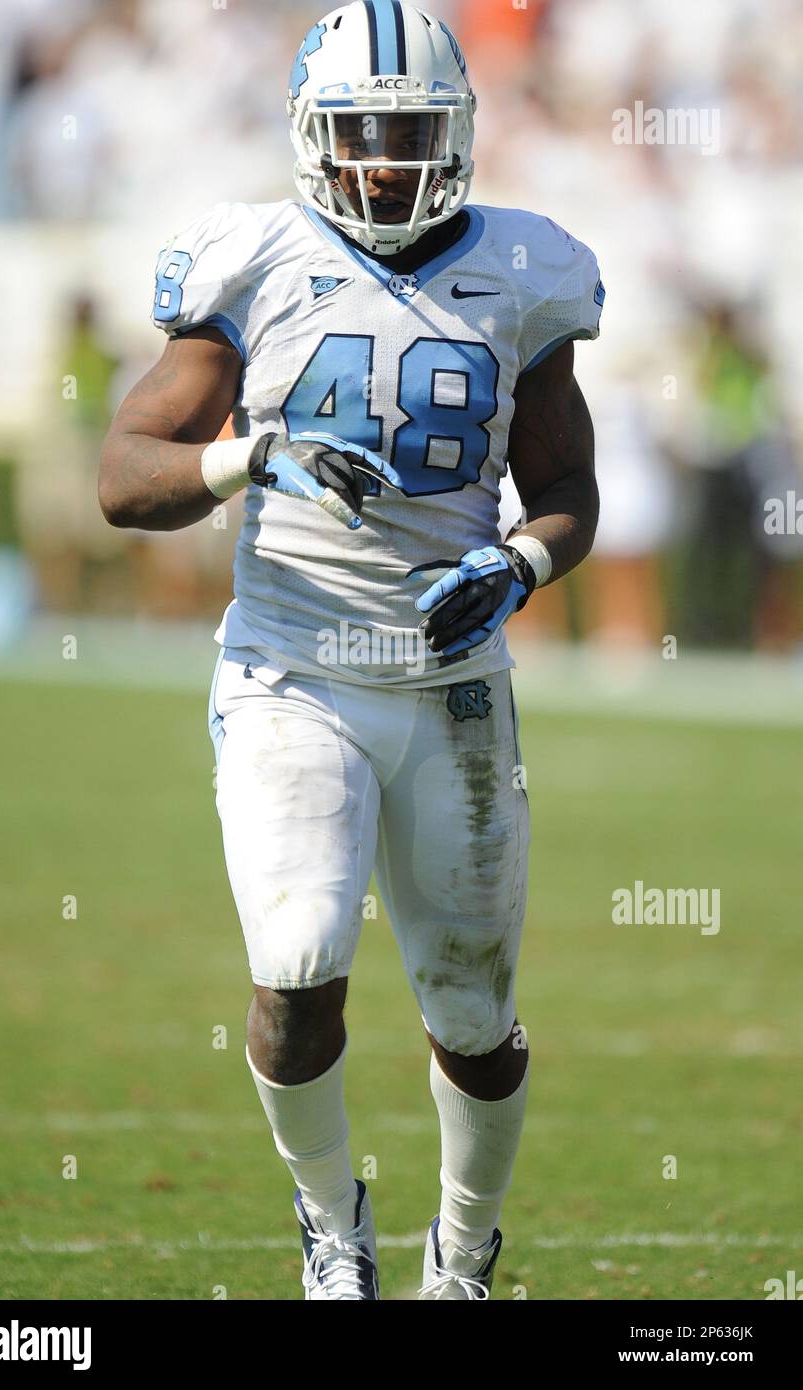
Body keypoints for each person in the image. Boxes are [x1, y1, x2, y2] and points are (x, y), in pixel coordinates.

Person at [99, 0, 603, 1300]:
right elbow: (126, 473)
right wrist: (249, 451)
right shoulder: (254, 259)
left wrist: (520, 562)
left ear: (460, 134)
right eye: (365, 131)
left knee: (475, 1025)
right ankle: (333, 1227)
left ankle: (466, 1247)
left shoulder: (527, 267)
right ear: (316, 137)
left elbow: (567, 489)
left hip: (452, 696)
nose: (388, 157)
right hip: (293, 676)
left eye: (414, 131)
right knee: (299, 958)